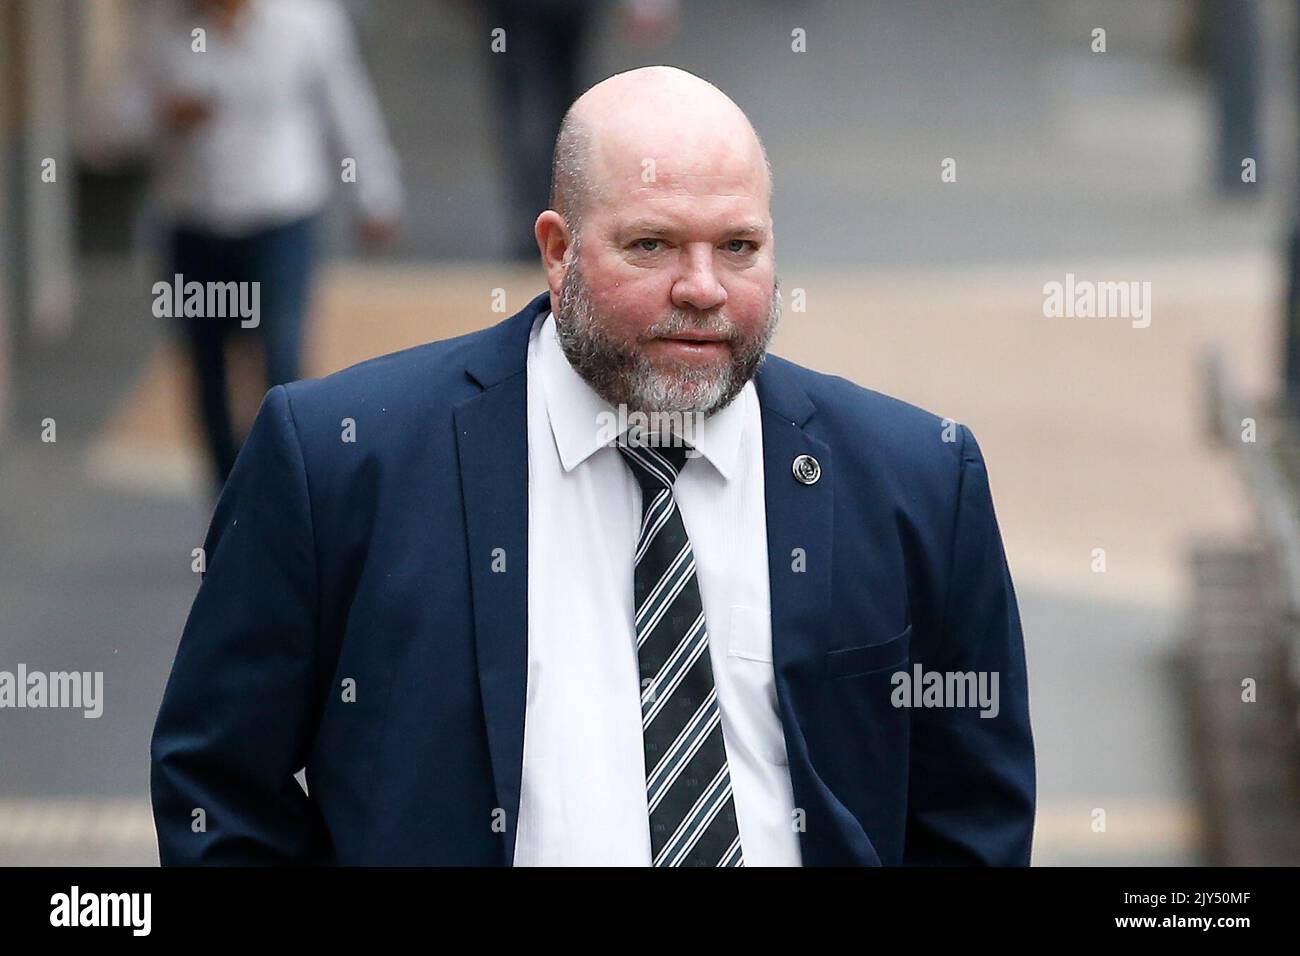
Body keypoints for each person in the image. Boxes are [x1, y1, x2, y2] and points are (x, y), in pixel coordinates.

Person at [151, 66, 1035, 866]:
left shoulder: (918, 480)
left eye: (738, 247)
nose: (702, 287)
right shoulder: (338, 461)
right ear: (557, 250)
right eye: (652, 245)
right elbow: (219, 790)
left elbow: (974, 818)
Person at [141, 0, 402, 488]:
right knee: (206, 370)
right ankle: (228, 501)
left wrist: (376, 194)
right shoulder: (160, 24)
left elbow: (346, 107)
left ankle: (287, 494)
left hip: (280, 219)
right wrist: (161, 113)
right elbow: (111, 120)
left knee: (282, 363)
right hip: (192, 225)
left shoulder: (306, 19)